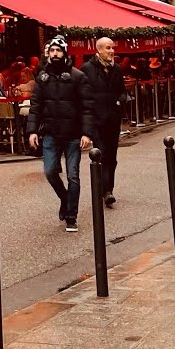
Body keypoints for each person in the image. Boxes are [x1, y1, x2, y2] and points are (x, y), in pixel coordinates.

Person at [26, 36, 90, 233]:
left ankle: (71, 216)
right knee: (50, 171)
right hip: (51, 133)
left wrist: (86, 133)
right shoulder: (42, 78)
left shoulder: (78, 77)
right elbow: (35, 106)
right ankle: (65, 198)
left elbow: (87, 107)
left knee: (73, 176)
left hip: (72, 134)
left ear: (64, 53)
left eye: (58, 51)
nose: (55, 54)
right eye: (52, 51)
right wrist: (32, 131)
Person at [81, 37, 126, 208]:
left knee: (112, 157)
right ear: (98, 50)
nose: (112, 51)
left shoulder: (116, 69)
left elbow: (122, 91)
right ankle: (105, 191)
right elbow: (83, 95)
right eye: (108, 48)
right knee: (101, 154)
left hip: (113, 120)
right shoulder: (87, 69)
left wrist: (120, 103)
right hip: (96, 120)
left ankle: (109, 188)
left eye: (112, 48)